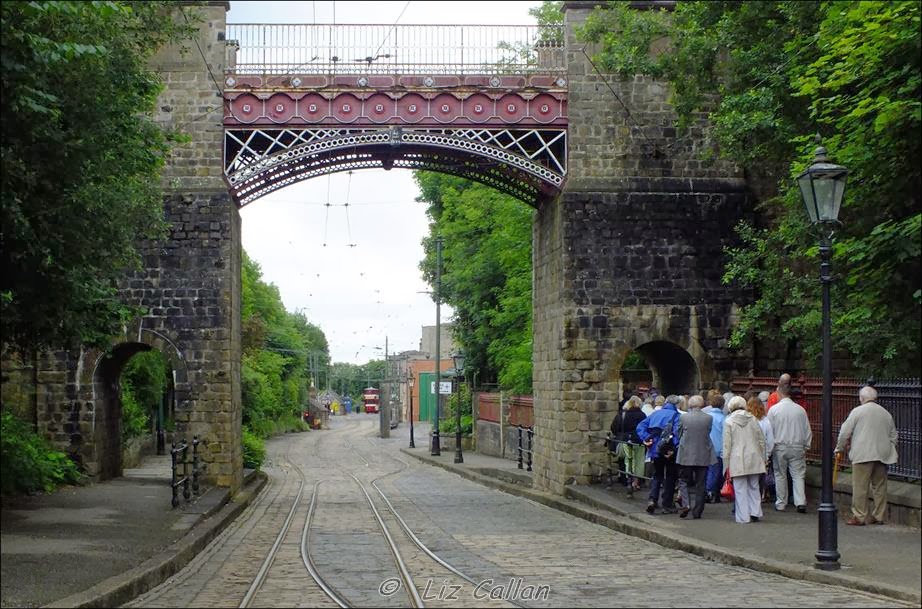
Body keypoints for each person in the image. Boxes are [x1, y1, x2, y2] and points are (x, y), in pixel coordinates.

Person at [835, 386, 898, 526]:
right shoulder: (885, 413)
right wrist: (889, 448)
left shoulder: (857, 411)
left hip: (862, 453)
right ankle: (879, 515)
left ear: (861, 398)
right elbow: (894, 436)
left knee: (860, 486)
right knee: (880, 486)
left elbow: (845, 432)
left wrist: (840, 448)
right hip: (882, 454)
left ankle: (860, 515)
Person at [766, 382, 812, 513]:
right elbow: (807, 430)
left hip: (779, 446)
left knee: (780, 475)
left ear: (779, 392)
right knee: (798, 475)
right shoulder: (800, 410)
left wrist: (769, 449)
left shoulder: (774, 410)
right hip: (797, 446)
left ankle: (781, 502)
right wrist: (806, 445)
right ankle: (800, 502)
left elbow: (770, 431)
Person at [723, 396, 766, 523]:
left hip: (737, 458)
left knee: (740, 489)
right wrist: (763, 457)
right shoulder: (752, 418)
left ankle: (743, 517)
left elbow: (727, 445)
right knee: (754, 486)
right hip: (754, 456)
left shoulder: (729, 421)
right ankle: (755, 512)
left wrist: (726, 464)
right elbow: (761, 440)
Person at [636, 395, 682, 515]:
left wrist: (646, 438)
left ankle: (652, 499)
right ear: (677, 404)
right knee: (671, 477)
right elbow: (677, 434)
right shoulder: (676, 416)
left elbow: (640, 426)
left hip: (655, 449)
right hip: (669, 450)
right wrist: (674, 448)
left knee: (657, 475)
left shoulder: (655, 414)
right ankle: (667, 504)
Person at [676, 395, 717, 519]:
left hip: (686, 453)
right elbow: (708, 432)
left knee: (683, 481)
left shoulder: (683, 417)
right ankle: (698, 510)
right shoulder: (708, 418)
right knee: (701, 484)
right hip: (703, 453)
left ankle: (686, 504)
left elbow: (679, 432)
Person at [611, 396, 647, 495]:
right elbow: (645, 428)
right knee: (639, 461)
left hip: (625, 440)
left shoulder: (622, 414)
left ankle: (627, 480)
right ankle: (636, 482)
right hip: (638, 441)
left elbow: (614, 427)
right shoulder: (642, 415)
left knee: (628, 460)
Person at [746, 396, 775, 503]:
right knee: (759, 481)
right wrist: (767, 455)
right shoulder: (766, 421)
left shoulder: (746, 420)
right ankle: (757, 500)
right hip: (761, 456)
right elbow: (770, 441)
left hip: (748, 454)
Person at [702, 390, 726, 503]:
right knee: (715, 472)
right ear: (723, 405)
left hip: (703, 446)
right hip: (717, 448)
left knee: (705, 471)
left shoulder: (705, 415)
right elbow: (724, 435)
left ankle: (705, 490)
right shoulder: (723, 419)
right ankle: (710, 491)